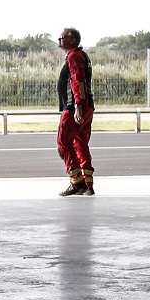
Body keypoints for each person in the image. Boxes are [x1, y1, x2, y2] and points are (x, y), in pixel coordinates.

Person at [56, 27, 94, 196]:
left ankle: (77, 182)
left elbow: (78, 81)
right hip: (86, 106)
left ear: (72, 40)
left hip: (74, 108)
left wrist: (78, 105)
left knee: (63, 143)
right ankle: (88, 184)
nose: (59, 40)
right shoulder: (82, 56)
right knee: (80, 143)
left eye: (62, 37)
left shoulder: (74, 56)